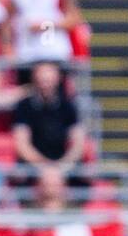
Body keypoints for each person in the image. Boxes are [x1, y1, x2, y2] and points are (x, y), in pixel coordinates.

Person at [11, 60, 85, 209]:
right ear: (34, 79)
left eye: (49, 79)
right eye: (42, 79)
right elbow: (22, 144)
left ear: (57, 79)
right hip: (32, 166)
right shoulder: (24, 106)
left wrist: (62, 166)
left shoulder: (68, 106)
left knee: (87, 178)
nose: (45, 83)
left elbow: (78, 143)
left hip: (62, 163)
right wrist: (44, 167)